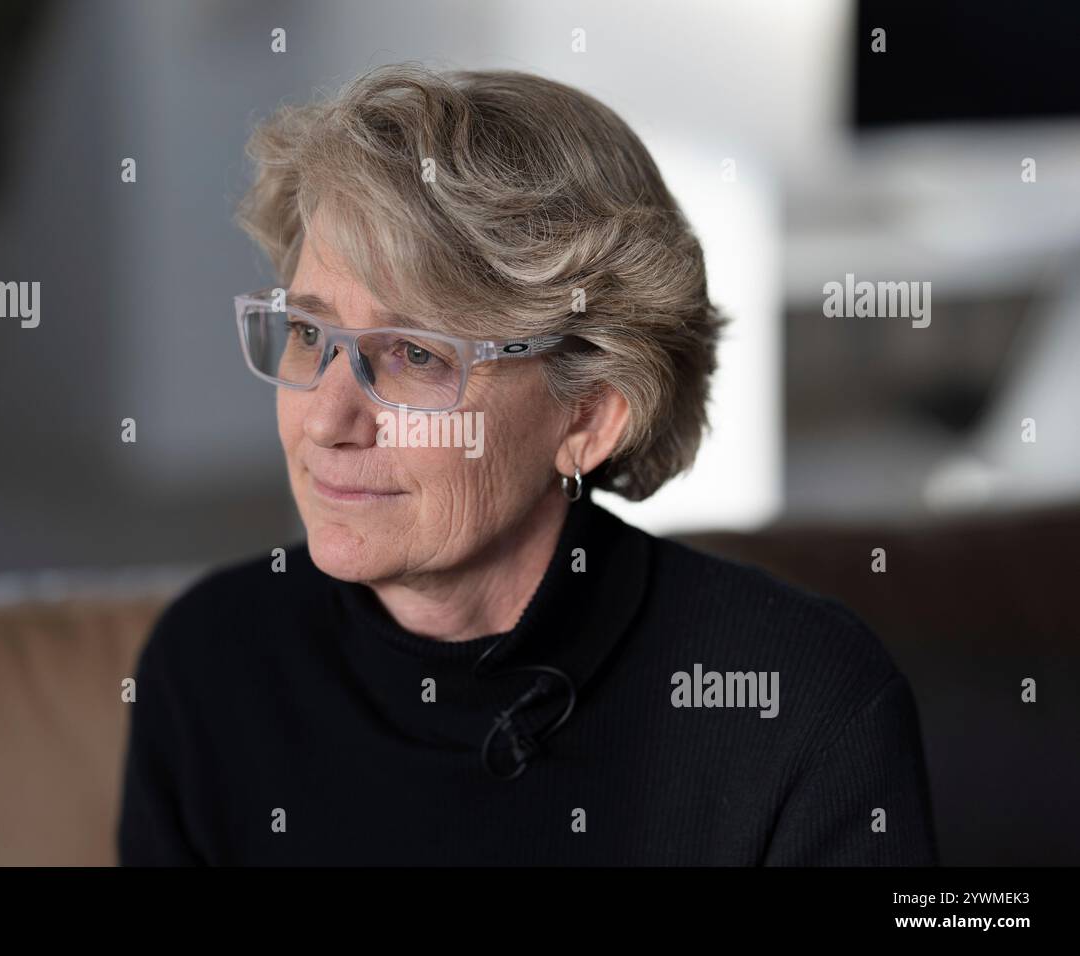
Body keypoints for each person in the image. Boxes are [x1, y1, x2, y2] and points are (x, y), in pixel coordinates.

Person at [117, 62, 937, 865]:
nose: (328, 419)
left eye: (413, 355)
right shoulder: (210, 667)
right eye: (307, 333)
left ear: (587, 416)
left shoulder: (800, 706)